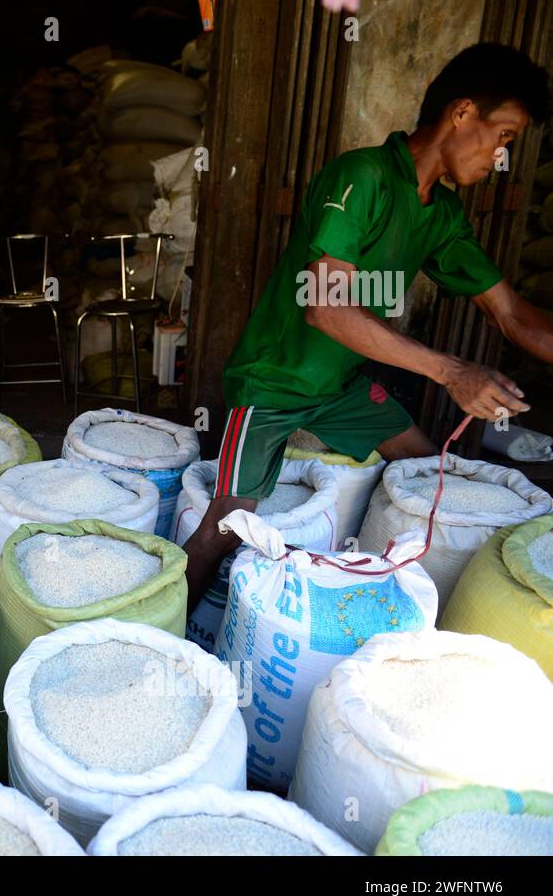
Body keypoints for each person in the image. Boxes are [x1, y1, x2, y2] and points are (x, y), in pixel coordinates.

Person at [183, 42, 553, 609]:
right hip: (276, 383)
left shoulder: (442, 215)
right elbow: (326, 307)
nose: (501, 156)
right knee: (223, 529)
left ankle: (409, 606)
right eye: (502, 134)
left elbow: (511, 314)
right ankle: (158, 635)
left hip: (345, 386)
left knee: (430, 468)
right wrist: (452, 372)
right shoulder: (362, 176)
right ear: (461, 114)